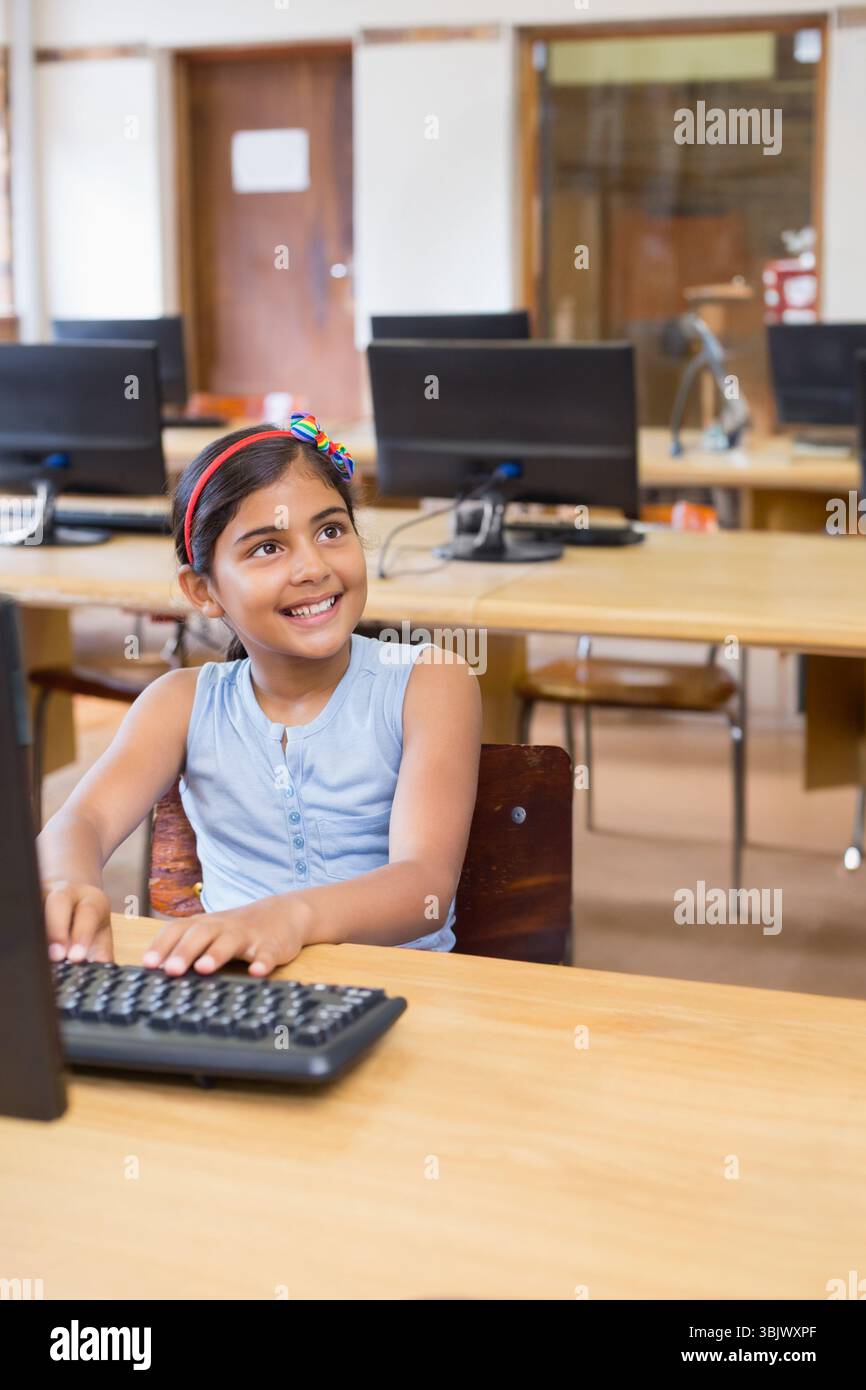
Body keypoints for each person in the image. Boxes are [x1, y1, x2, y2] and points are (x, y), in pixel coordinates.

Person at [37, 416, 481, 977]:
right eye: (268, 548)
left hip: (403, 991)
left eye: (330, 531)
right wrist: (66, 883)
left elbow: (425, 886)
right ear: (203, 590)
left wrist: (287, 918)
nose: (313, 567)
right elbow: (82, 821)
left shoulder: (430, 681)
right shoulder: (179, 702)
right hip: (239, 989)